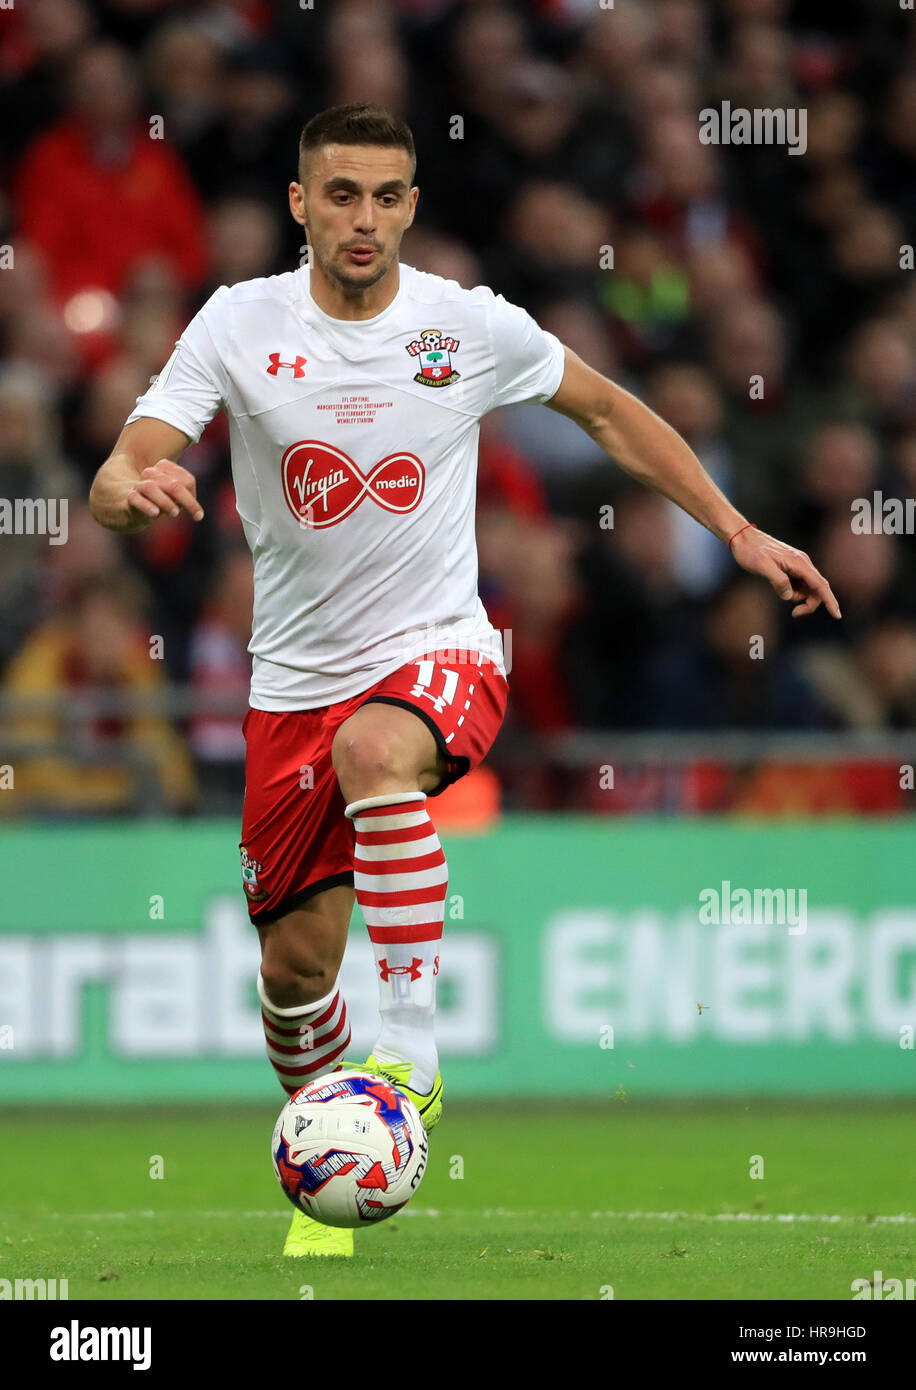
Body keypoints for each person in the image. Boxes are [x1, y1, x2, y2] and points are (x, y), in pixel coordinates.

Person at [88, 101, 839, 1258]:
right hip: (292, 684)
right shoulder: (238, 324)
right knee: (292, 978)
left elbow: (606, 409)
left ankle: (413, 1056)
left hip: (439, 646)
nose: (364, 219)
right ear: (299, 203)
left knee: (378, 751)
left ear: (412, 207)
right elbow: (126, 456)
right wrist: (126, 491)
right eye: (340, 194)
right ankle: (330, 1159)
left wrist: (735, 529)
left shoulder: (464, 326)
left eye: (387, 196)